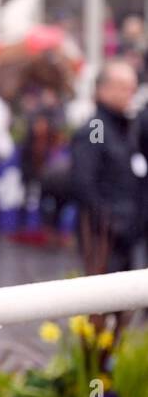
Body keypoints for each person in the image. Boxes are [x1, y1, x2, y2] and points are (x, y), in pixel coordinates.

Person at [71, 60, 145, 307]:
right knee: (102, 308)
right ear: (103, 89)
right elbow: (83, 183)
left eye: (132, 87)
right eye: (123, 87)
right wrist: (110, 224)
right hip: (104, 238)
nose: (130, 94)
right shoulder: (96, 128)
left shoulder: (127, 129)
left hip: (128, 236)